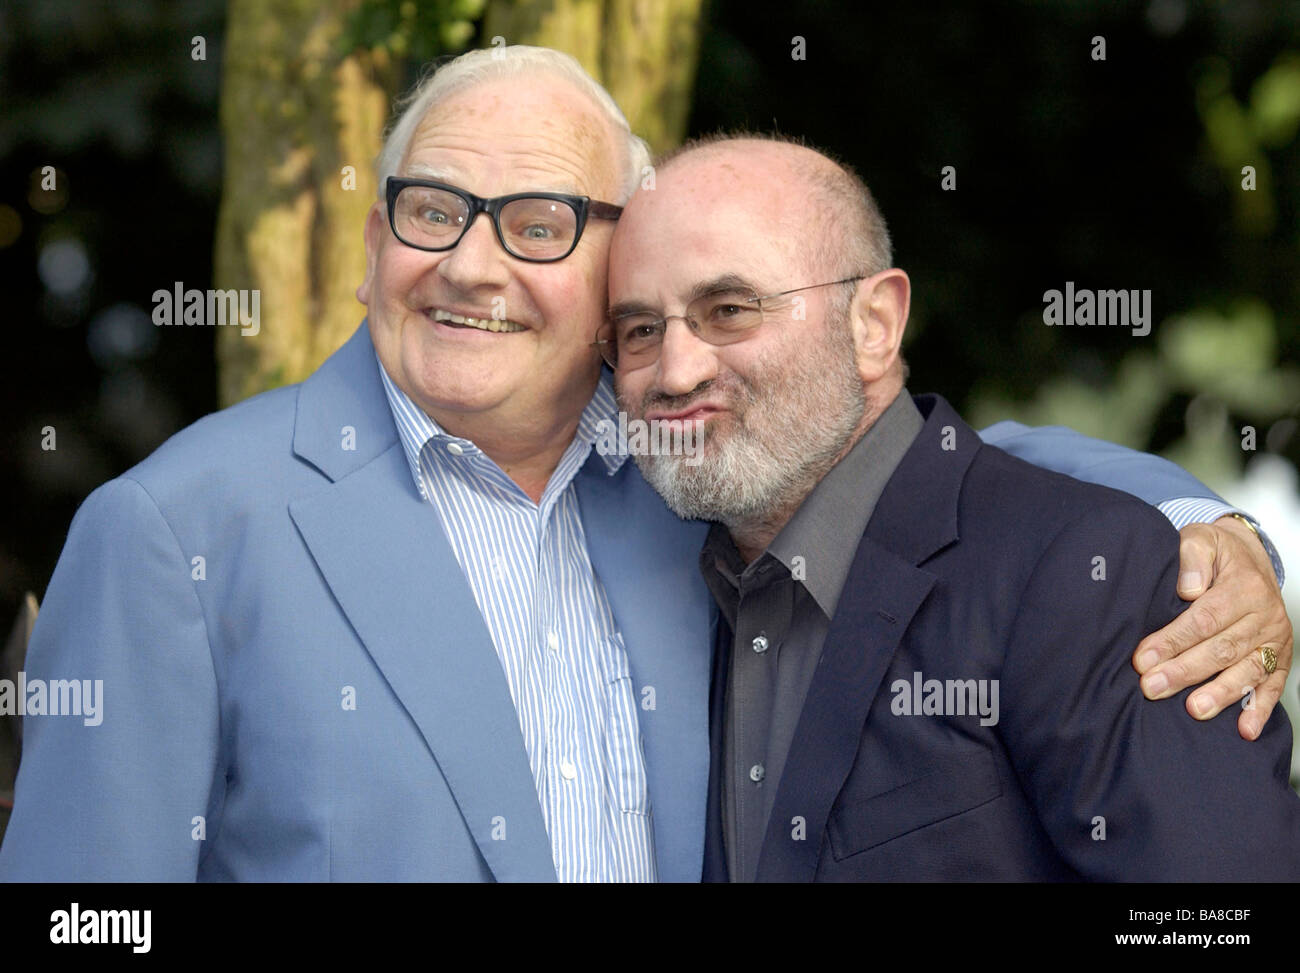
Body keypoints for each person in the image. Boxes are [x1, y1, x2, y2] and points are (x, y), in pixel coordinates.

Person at [0, 47, 1289, 883]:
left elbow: (906, 467)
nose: (468, 263)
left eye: (539, 225)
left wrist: (1196, 517)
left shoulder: (672, 472)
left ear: (615, 269)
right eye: (431, 207)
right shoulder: (175, 530)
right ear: (372, 239)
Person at [602, 132, 1300, 881]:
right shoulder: (680, 591)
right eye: (641, 329)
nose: (674, 369)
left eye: (730, 308)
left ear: (873, 324)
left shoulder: (1089, 575)